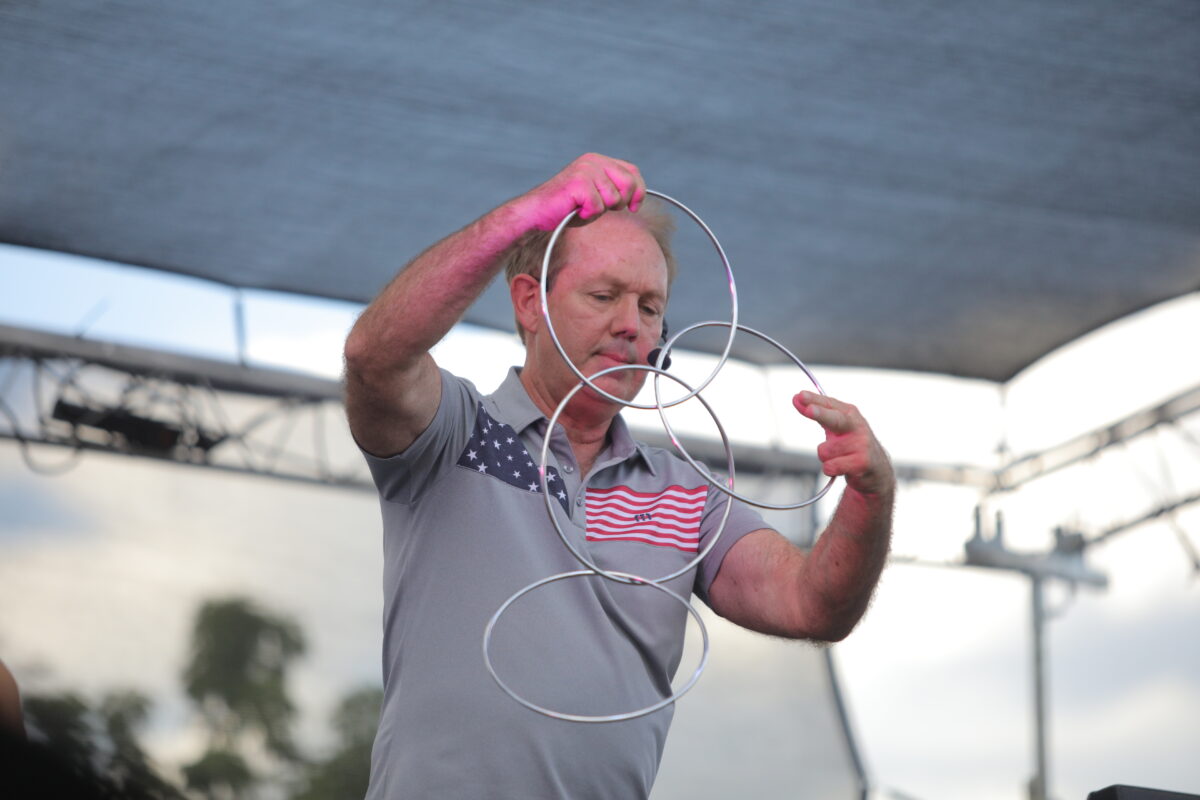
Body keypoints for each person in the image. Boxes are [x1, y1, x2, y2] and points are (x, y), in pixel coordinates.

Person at [344, 153, 895, 799]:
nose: (631, 325)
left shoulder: (685, 491)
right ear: (530, 301)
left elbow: (812, 603)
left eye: (651, 306)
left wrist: (870, 496)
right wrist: (525, 215)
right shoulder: (455, 433)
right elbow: (374, 359)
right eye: (604, 296)